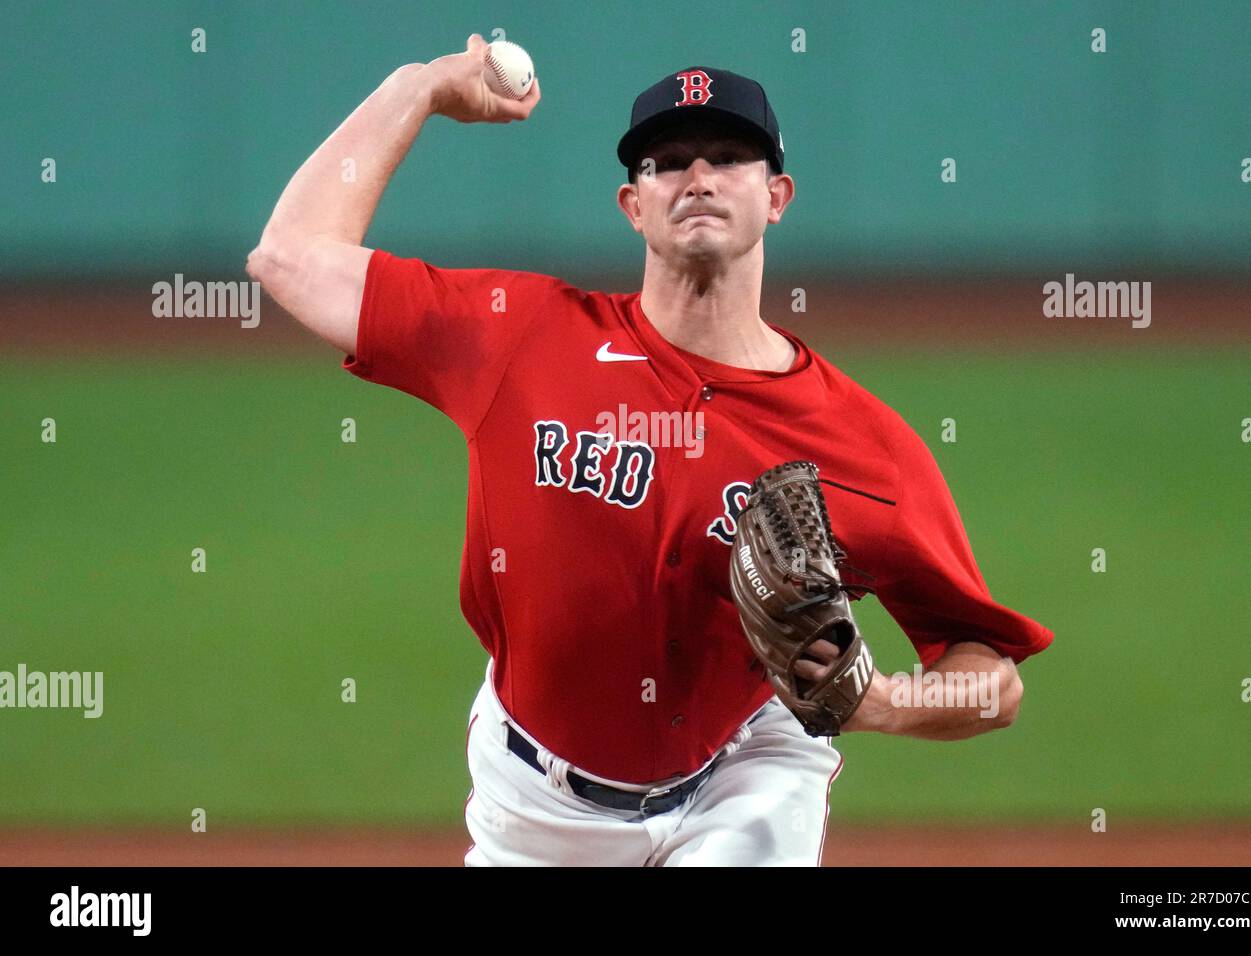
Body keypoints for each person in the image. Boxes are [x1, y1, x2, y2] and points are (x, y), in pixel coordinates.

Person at [247, 34, 1054, 867]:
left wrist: (879, 702)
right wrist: (413, 89)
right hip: (532, 803)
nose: (698, 177)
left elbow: (992, 681)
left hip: (747, 774)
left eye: (729, 157)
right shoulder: (518, 334)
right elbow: (289, 257)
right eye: (667, 161)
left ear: (777, 196)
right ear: (633, 205)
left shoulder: (864, 446)